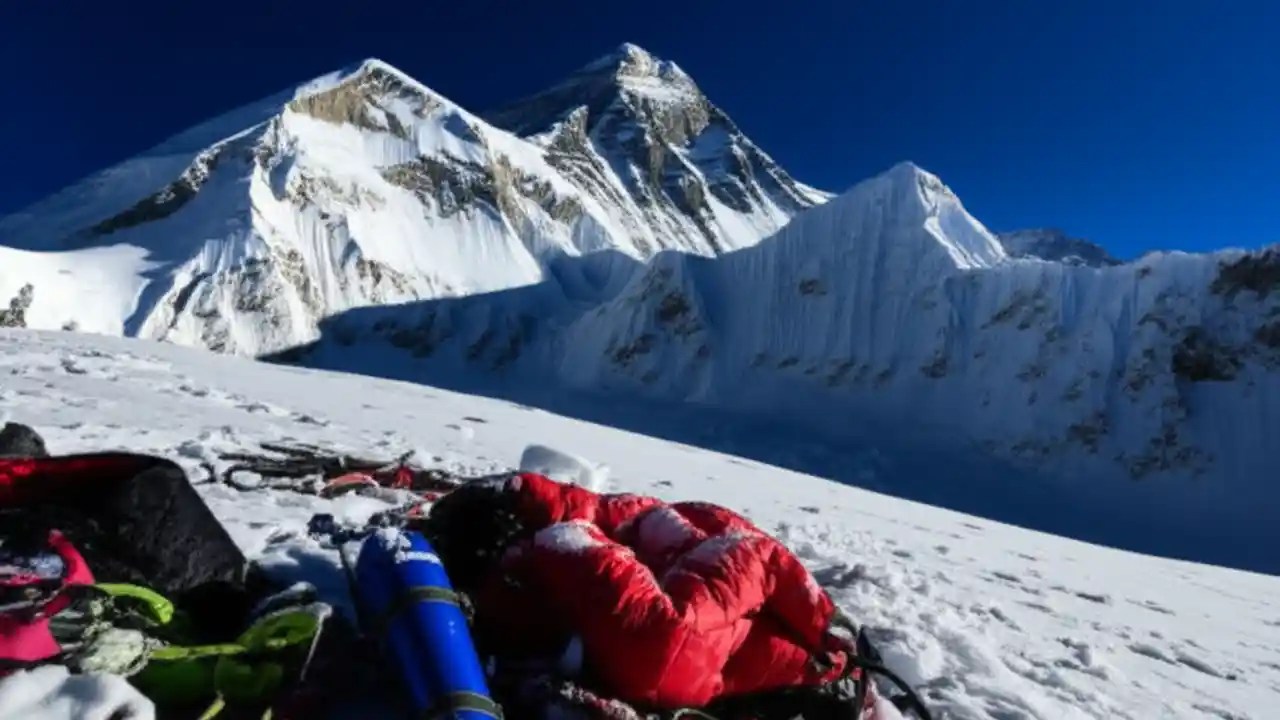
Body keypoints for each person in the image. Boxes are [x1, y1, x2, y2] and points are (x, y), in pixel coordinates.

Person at [423, 472, 913, 719]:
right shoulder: (749, 642)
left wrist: (527, 510)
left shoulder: (688, 628)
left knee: (575, 543)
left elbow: (759, 556)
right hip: (663, 647)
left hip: (665, 639)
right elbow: (630, 518)